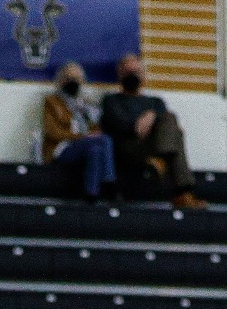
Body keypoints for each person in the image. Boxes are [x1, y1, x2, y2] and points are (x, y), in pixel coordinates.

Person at [98, 53, 203, 209]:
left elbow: (165, 123)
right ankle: (181, 189)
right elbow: (120, 124)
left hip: (152, 145)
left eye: (136, 72)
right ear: (120, 75)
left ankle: (166, 168)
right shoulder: (111, 100)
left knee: (172, 123)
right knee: (175, 135)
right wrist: (140, 123)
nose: (132, 76)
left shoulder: (155, 102)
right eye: (128, 72)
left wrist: (152, 115)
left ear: (143, 75)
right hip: (127, 147)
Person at [41, 61, 116, 202]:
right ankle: (109, 181)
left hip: (84, 147)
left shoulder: (86, 104)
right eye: (69, 78)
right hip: (61, 148)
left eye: (76, 79)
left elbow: (95, 128)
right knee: (104, 140)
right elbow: (53, 132)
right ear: (61, 80)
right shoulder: (52, 102)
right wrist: (82, 137)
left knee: (96, 151)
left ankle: (91, 195)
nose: (73, 82)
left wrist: (89, 136)